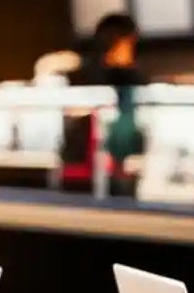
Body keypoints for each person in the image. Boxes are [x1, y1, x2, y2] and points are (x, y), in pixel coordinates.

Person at [61, 13, 146, 194]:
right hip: (93, 168)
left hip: (93, 167)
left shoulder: (88, 73)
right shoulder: (92, 77)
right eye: (129, 43)